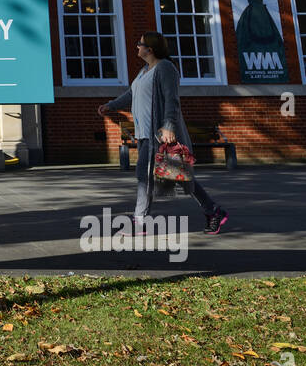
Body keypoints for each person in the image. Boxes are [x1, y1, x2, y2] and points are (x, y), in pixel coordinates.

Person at [98, 31, 229, 235]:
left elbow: (171, 100)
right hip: (145, 134)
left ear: (150, 48)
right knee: (178, 176)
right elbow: (132, 94)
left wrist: (168, 125)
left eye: (139, 44)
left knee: (145, 176)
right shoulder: (144, 71)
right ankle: (214, 211)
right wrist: (111, 105)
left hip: (158, 135)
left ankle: (140, 221)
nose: (137, 47)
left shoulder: (165, 68)